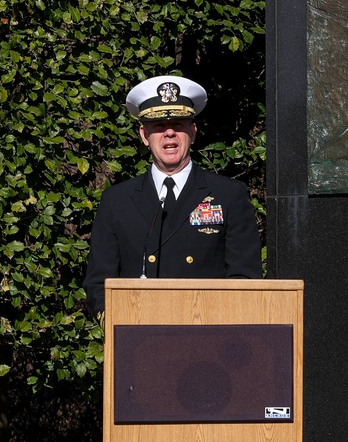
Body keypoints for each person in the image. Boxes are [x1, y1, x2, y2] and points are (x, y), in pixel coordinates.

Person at [83, 75, 262, 315]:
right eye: (158, 126)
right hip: (138, 337)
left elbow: (245, 279)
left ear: (193, 132)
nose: (169, 133)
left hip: (208, 334)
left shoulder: (228, 195)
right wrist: (116, 326)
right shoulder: (117, 201)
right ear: (144, 136)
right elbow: (99, 283)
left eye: (178, 124)